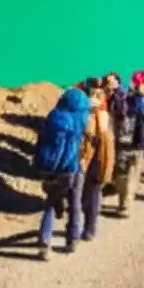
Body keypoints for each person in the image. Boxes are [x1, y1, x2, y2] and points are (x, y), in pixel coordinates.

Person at [34, 86, 90, 260]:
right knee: (75, 204)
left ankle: (44, 244)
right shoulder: (80, 119)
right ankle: (72, 240)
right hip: (72, 169)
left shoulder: (53, 116)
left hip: (52, 170)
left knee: (50, 205)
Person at [80, 86, 115, 242]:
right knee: (88, 197)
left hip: (95, 164)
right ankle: (88, 228)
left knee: (91, 198)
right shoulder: (95, 119)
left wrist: (105, 171)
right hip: (89, 163)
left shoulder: (100, 121)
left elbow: (107, 150)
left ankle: (89, 229)